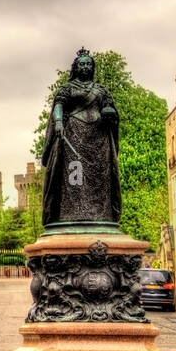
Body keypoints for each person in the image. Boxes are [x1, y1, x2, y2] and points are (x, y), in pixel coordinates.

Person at [41, 48, 121, 228]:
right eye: (82, 64)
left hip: (99, 140)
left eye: (88, 64)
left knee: (99, 178)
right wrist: (59, 122)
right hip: (74, 135)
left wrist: (111, 115)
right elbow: (58, 105)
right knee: (73, 177)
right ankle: (71, 213)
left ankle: (101, 215)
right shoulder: (68, 88)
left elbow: (110, 109)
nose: (85, 67)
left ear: (92, 68)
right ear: (76, 68)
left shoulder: (101, 90)